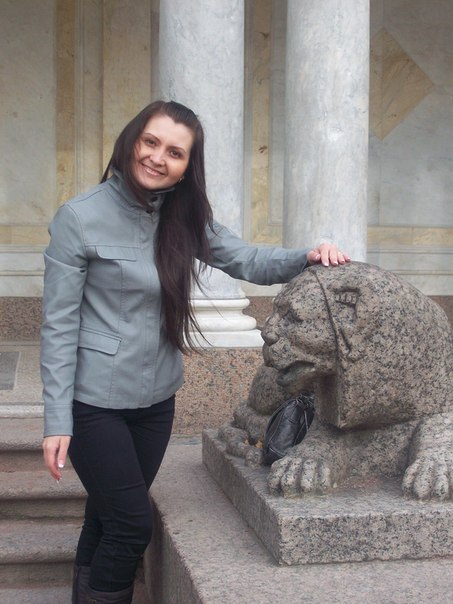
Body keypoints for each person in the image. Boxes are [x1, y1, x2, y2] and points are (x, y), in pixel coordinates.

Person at [41, 100, 349, 603]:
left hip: (156, 400)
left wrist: (308, 256)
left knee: (106, 514)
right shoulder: (78, 217)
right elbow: (58, 326)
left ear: (186, 167)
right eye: (151, 142)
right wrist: (57, 419)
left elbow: (246, 258)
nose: (158, 157)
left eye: (175, 152)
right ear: (131, 141)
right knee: (131, 524)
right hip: (94, 402)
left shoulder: (184, 217)